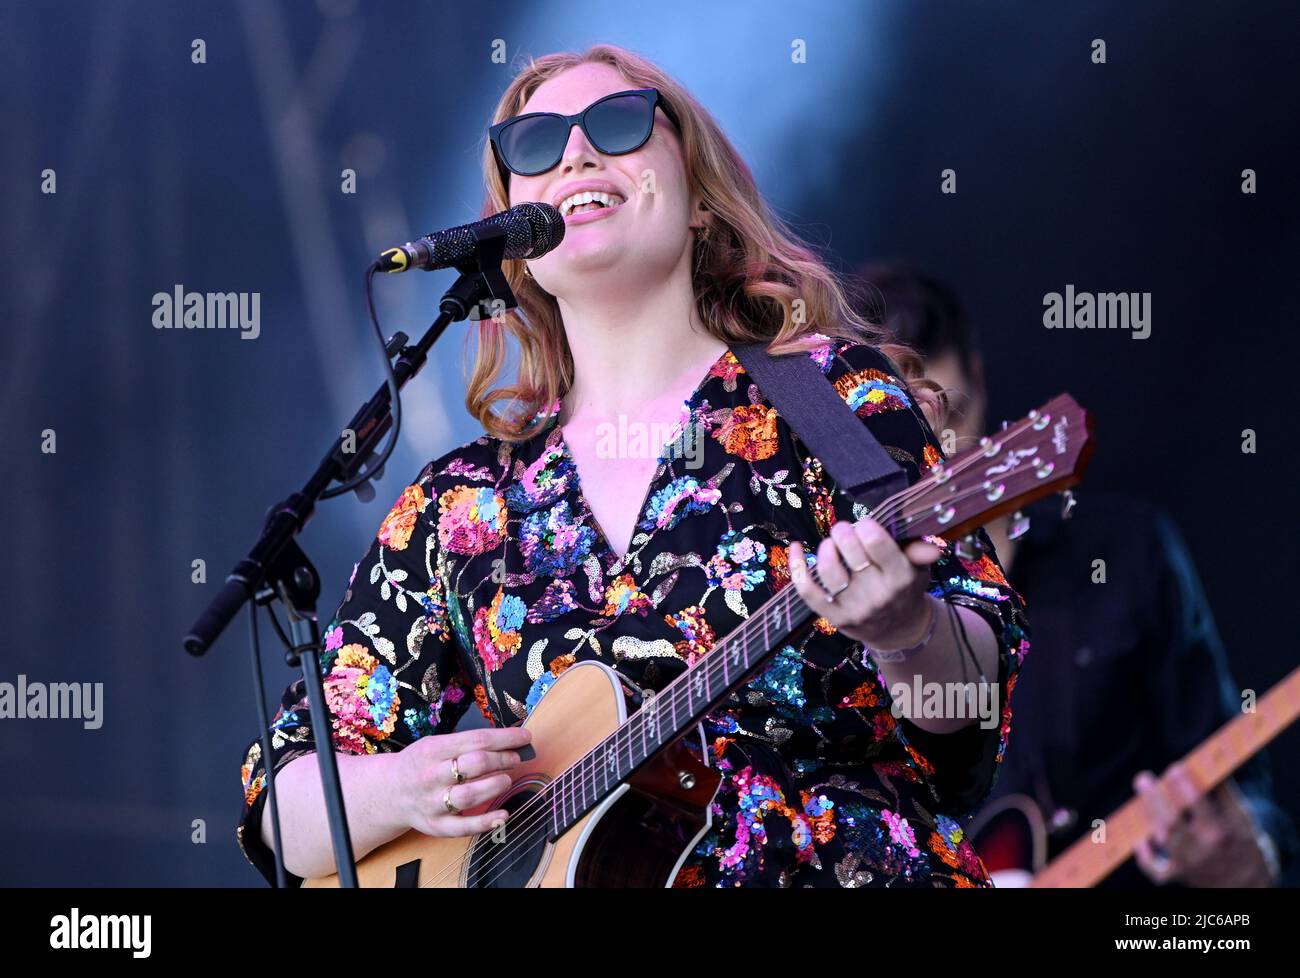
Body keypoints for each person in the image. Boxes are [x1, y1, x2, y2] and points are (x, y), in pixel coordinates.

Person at [235, 46, 1031, 888]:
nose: (576, 153)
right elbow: (285, 805)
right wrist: (405, 787)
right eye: (535, 144)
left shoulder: (832, 398)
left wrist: (908, 630)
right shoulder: (461, 506)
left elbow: (967, 728)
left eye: (617, 125)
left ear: (697, 198)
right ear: (514, 236)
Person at [852, 262, 1296, 887]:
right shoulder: (839, 628)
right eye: (906, 440)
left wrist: (1250, 860)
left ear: (980, 379)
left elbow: (1245, 788)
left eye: (953, 421)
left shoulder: (1130, 550)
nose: (940, 464)